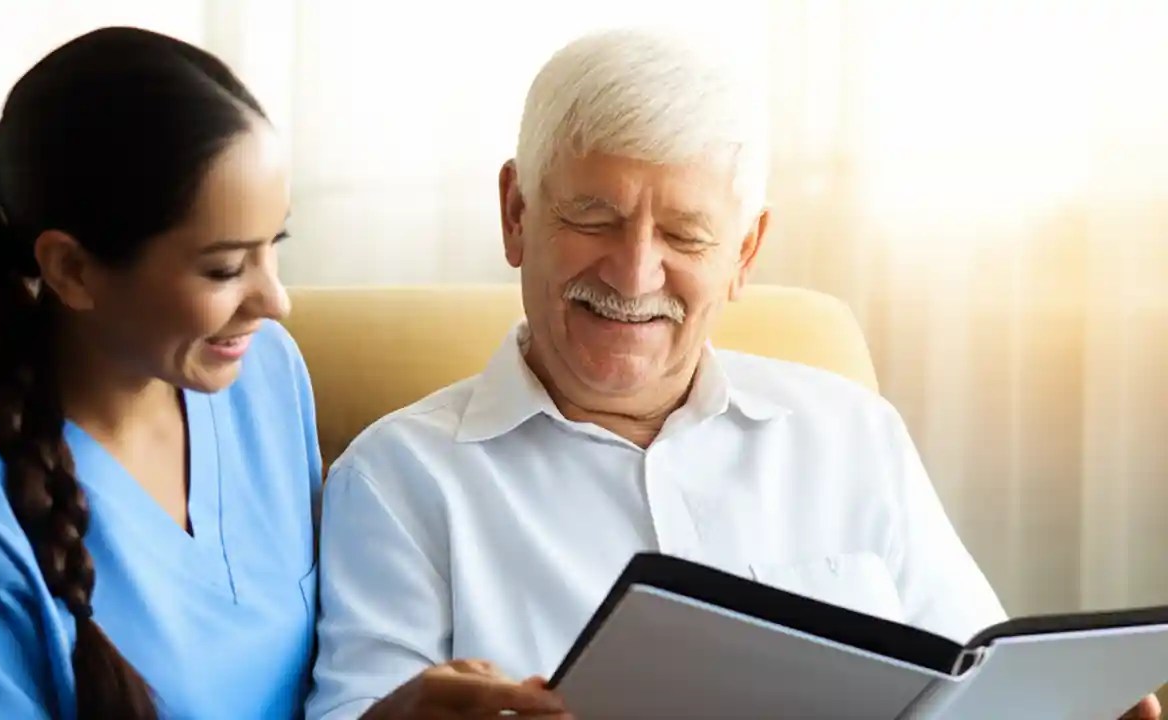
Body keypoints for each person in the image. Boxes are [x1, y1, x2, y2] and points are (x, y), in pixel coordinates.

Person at [309, 28, 1162, 720]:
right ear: (516, 214)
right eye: (593, 217)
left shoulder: (850, 430)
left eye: (684, 236)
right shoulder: (399, 478)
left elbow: (982, 677)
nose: (635, 274)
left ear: (744, 253)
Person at [0, 27, 314, 719]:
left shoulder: (266, 378)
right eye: (226, 268)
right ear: (73, 270)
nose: (277, 302)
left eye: (276, 246)